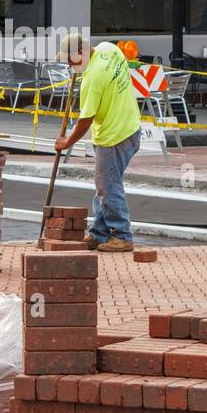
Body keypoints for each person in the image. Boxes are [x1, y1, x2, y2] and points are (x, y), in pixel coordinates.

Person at [53, 34, 142, 253]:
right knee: (106, 183)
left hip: (114, 136)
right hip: (130, 127)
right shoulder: (108, 49)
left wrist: (66, 142)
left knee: (108, 186)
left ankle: (122, 235)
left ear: (82, 53)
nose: (68, 65)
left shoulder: (92, 78)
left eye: (70, 60)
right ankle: (99, 233)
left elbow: (85, 121)